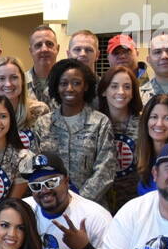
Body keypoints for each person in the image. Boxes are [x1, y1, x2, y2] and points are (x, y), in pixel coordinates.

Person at [33, 58, 116, 205]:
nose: (70, 88)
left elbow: (105, 171)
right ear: (56, 87)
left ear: (85, 86)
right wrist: (55, 198)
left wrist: (78, 202)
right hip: (51, 205)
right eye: (63, 83)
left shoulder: (100, 122)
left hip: (91, 208)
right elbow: (35, 167)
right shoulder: (43, 123)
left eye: (76, 83)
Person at [96, 64, 144, 210]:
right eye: (114, 86)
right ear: (104, 91)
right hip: (102, 200)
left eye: (127, 87)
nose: (121, 92)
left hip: (137, 201)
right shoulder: (94, 123)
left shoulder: (144, 122)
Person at [0, 55, 50, 147]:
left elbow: (46, 150)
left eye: (14, 77)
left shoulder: (39, 111)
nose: (8, 84)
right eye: (1, 78)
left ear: (22, 80)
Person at [27, 25, 60, 105]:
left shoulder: (67, 83)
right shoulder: (19, 83)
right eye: (38, 45)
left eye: (49, 44)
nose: (44, 49)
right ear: (31, 51)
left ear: (57, 49)